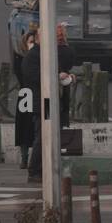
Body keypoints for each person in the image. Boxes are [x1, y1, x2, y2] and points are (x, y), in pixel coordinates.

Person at [25, 24, 76, 184]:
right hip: (44, 102)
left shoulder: (47, 54)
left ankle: (45, 168)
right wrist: (57, 76)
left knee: (51, 134)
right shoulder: (35, 55)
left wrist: (65, 77)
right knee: (43, 135)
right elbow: (35, 76)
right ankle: (35, 171)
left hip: (51, 101)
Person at [12, 28, 37, 170]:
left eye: (34, 41)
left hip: (39, 93)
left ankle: (36, 156)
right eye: (30, 42)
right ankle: (24, 157)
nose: (32, 44)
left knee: (39, 125)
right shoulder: (20, 58)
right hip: (26, 94)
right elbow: (21, 76)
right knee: (24, 126)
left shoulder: (40, 56)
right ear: (25, 43)